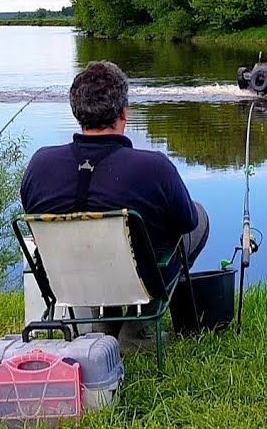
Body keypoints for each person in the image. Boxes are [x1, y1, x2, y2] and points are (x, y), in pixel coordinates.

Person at [19, 61, 209, 344]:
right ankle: (140, 326)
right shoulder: (154, 167)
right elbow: (187, 223)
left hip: (67, 281)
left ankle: (103, 323)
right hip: (140, 281)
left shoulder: (39, 164)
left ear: (77, 112)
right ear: (123, 113)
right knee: (199, 218)